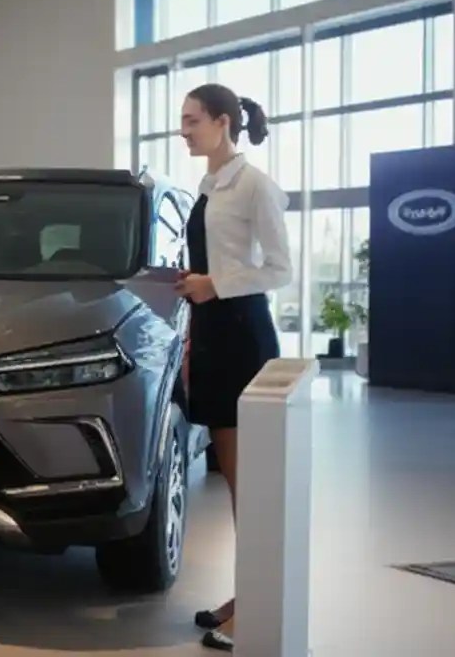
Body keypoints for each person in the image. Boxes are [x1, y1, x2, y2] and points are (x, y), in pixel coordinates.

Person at [176, 84, 291, 653]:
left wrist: (214, 285)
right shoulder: (208, 186)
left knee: (251, 488)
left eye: (192, 120)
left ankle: (257, 606)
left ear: (223, 122)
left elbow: (280, 269)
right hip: (214, 332)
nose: (184, 129)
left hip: (244, 336)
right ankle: (245, 597)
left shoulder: (256, 187)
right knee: (233, 484)